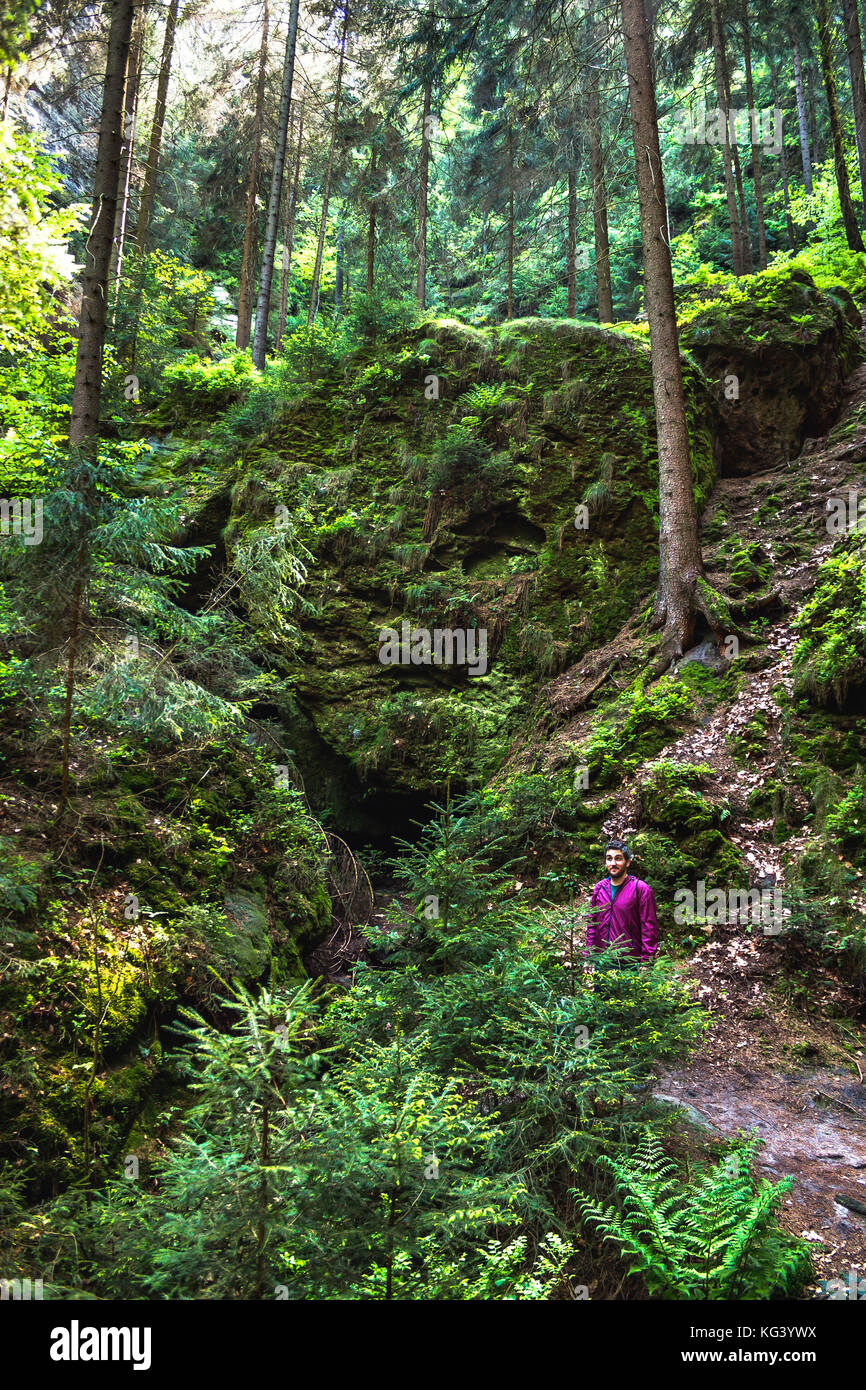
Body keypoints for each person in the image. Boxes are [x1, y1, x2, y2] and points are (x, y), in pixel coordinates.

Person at [586, 839, 659, 969]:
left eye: (618, 858)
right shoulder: (600, 888)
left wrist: (646, 961)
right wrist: (589, 954)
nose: (613, 863)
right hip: (602, 961)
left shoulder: (640, 889)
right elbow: (592, 923)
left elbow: (649, 928)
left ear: (627, 862)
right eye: (609, 859)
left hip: (629, 963)